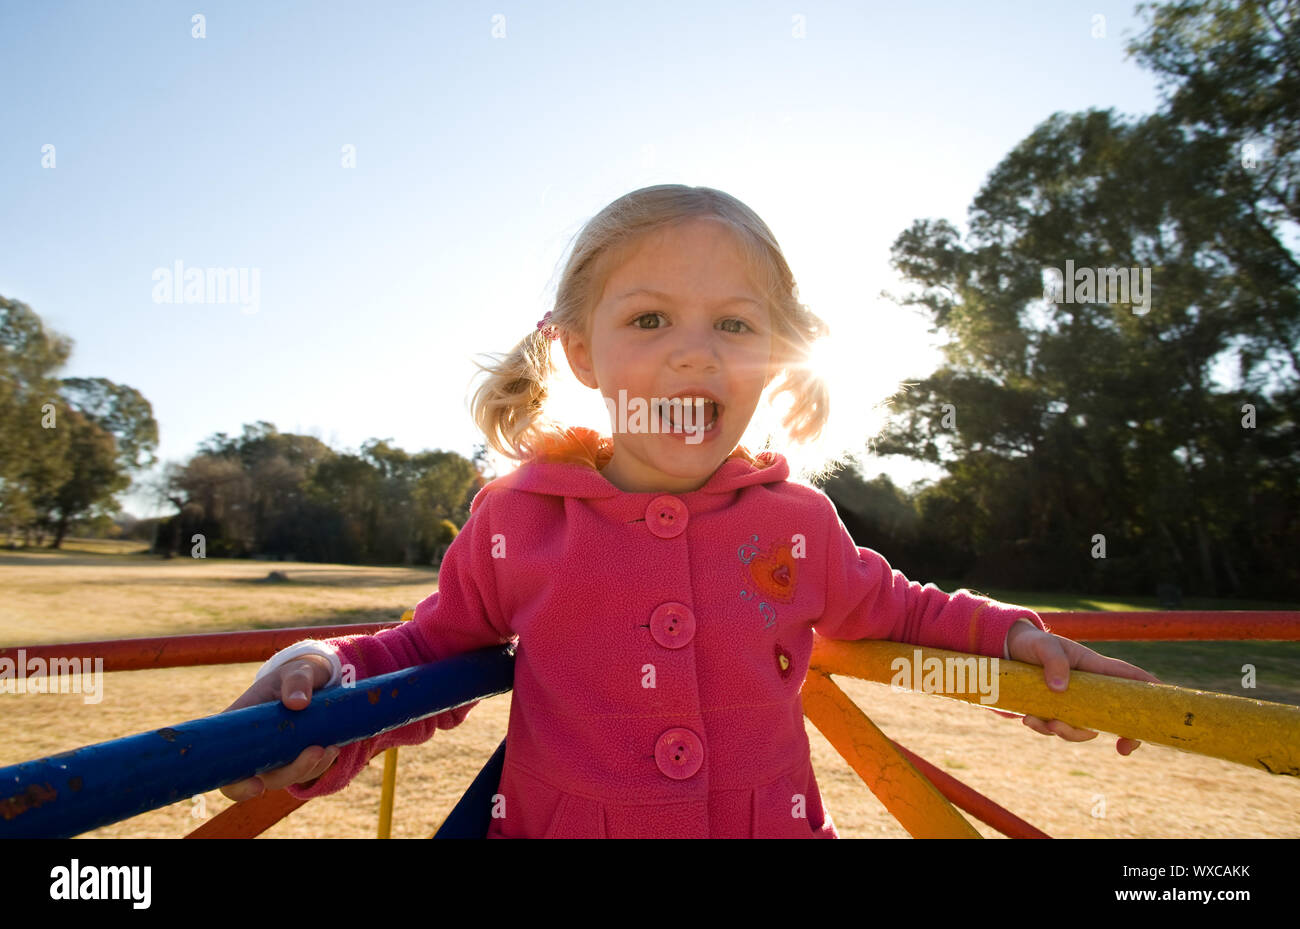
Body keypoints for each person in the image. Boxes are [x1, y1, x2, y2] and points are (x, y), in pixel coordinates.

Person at [219, 184, 1159, 838]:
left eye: (736, 324)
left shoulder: (796, 522)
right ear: (581, 352)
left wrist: (1018, 645)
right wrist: (326, 681)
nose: (695, 355)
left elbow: (909, 612)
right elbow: (430, 654)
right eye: (650, 319)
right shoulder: (516, 521)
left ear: (777, 354)